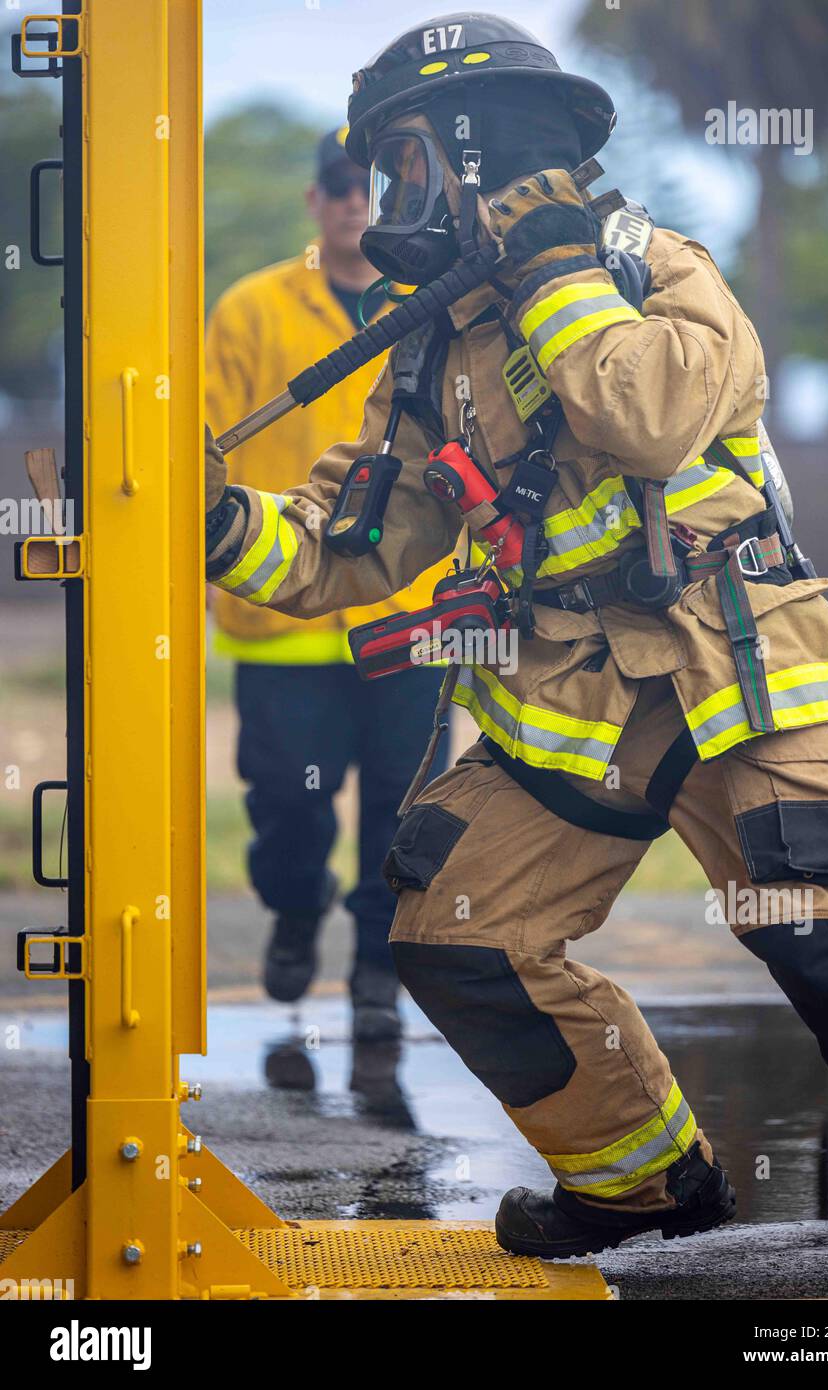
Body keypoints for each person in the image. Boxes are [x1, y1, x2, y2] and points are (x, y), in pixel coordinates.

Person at [203, 15, 828, 1278]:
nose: (393, 200)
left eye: (412, 166)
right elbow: (348, 545)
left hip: (733, 667)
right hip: (574, 700)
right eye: (386, 174)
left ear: (487, 156)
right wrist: (215, 520)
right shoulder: (430, 348)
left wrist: (551, 267)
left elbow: (638, 418)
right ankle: (645, 1181)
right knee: (449, 932)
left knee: (819, 938)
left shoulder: (653, 266)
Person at [205, 126, 449, 1042]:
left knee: (405, 806)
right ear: (315, 201)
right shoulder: (249, 310)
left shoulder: (436, 302)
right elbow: (199, 447)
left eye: (371, 185)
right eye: (339, 185)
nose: (355, 200)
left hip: (414, 618)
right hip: (284, 621)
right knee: (289, 805)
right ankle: (296, 913)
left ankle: (377, 972)